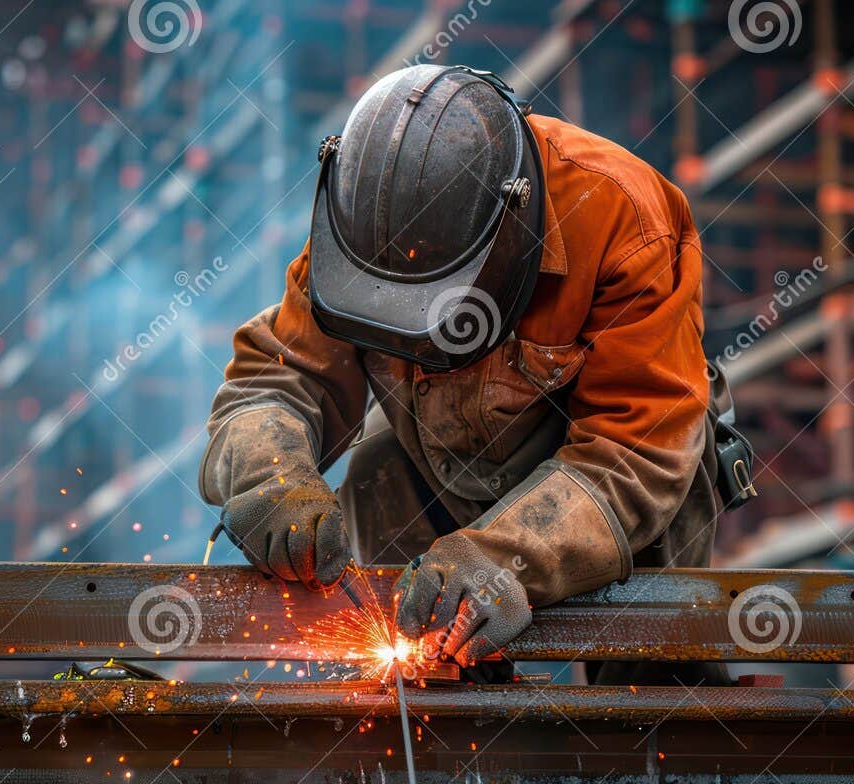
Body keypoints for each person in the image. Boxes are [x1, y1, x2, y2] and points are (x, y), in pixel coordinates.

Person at [199, 65, 740, 684]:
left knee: (650, 690)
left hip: (601, 483)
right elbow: (279, 377)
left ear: (510, 231)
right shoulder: (363, 227)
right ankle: (434, 710)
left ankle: (653, 724)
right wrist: (270, 475)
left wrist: (507, 558)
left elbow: (639, 446)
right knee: (378, 470)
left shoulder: (620, 214)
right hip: (437, 460)